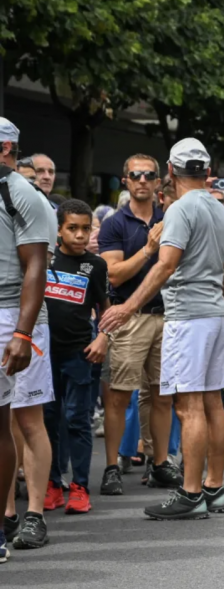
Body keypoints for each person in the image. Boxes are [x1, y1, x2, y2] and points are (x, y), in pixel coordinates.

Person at [100, 137, 224, 520]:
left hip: (188, 316)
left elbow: (165, 265)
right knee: (213, 403)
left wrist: (127, 306)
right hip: (214, 314)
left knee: (188, 407)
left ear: (171, 171)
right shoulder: (221, 211)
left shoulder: (179, 210)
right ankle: (214, 487)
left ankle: (191, 494)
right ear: (206, 172)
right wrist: (222, 313)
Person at [96, 154, 181, 496]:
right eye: (135, 175)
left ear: (159, 182)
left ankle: (159, 463)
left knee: (161, 395)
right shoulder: (114, 223)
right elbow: (114, 274)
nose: (142, 180)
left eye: (149, 175)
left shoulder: (171, 218)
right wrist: (148, 250)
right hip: (129, 318)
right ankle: (112, 467)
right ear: (125, 180)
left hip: (167, 316)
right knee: (119, 396)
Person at [0, 118, 53, 555]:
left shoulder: (22, 194)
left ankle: (33, 513)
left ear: (5, 149)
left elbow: (36, 265)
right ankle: (6, 515)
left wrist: (21, 330)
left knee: (26, 418)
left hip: (16, 318)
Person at [43, 199, 109, 516]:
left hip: (80, 353)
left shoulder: (96, 265)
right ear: (59, 230)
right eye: (73, 228)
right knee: (47, 419)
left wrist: (103, 337)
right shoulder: (45, 259)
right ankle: (52, 484)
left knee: (78, 420)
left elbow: (105, 308)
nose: (80, 235)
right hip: (44, 354)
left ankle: (80, 487)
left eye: (86, 228)